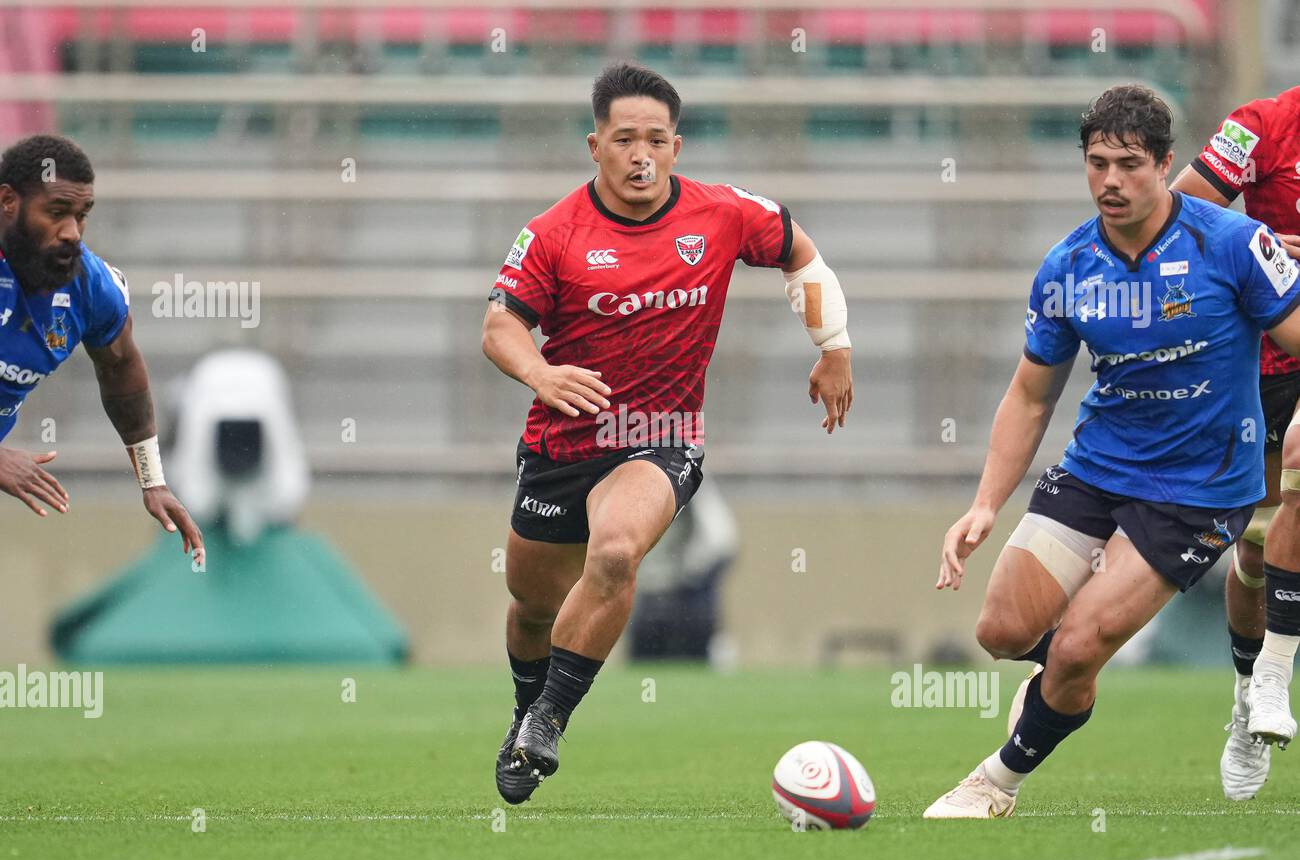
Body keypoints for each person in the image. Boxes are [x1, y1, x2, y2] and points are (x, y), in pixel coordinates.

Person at [481, 62, 853, 804]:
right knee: (532, 608)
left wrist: (834, 345)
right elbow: (499, 326)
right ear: (596, 146)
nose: (641, 154)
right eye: (625, 139)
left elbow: (798, 251)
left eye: (656, 139)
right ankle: (525, 712)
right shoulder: (554, 233)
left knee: (617, 552)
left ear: (676, 147)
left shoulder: (721, 213)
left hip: (661, 435)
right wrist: (542, 375)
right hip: (564, 442)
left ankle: (551, 717)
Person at [927, 84, 1300, 818]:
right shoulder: (1068, 265)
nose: (1111, 181)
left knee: (1074, 649)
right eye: (1097, 163)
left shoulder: (1230, 246)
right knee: (1002, 631)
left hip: (1201, 488)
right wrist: (983, 504)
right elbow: (1031, 396)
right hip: (1097, 468)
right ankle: (1066, 682)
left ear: (1165, 164)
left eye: (1129, 164)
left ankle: (994, 782)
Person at [1169, 86, 1300, 799]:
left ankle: (1277, 675)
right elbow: (1178, 216)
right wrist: (1262, 245)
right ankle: (1252, 695)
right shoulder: (1263, 126)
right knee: (1255, 549)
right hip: (1271, 357)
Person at [0, 134, 202, 561]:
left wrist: (152, 480)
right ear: (8, 202)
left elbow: (120, 368)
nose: (72, 232)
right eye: (56, 212)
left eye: (82, 214)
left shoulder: (90, 287)